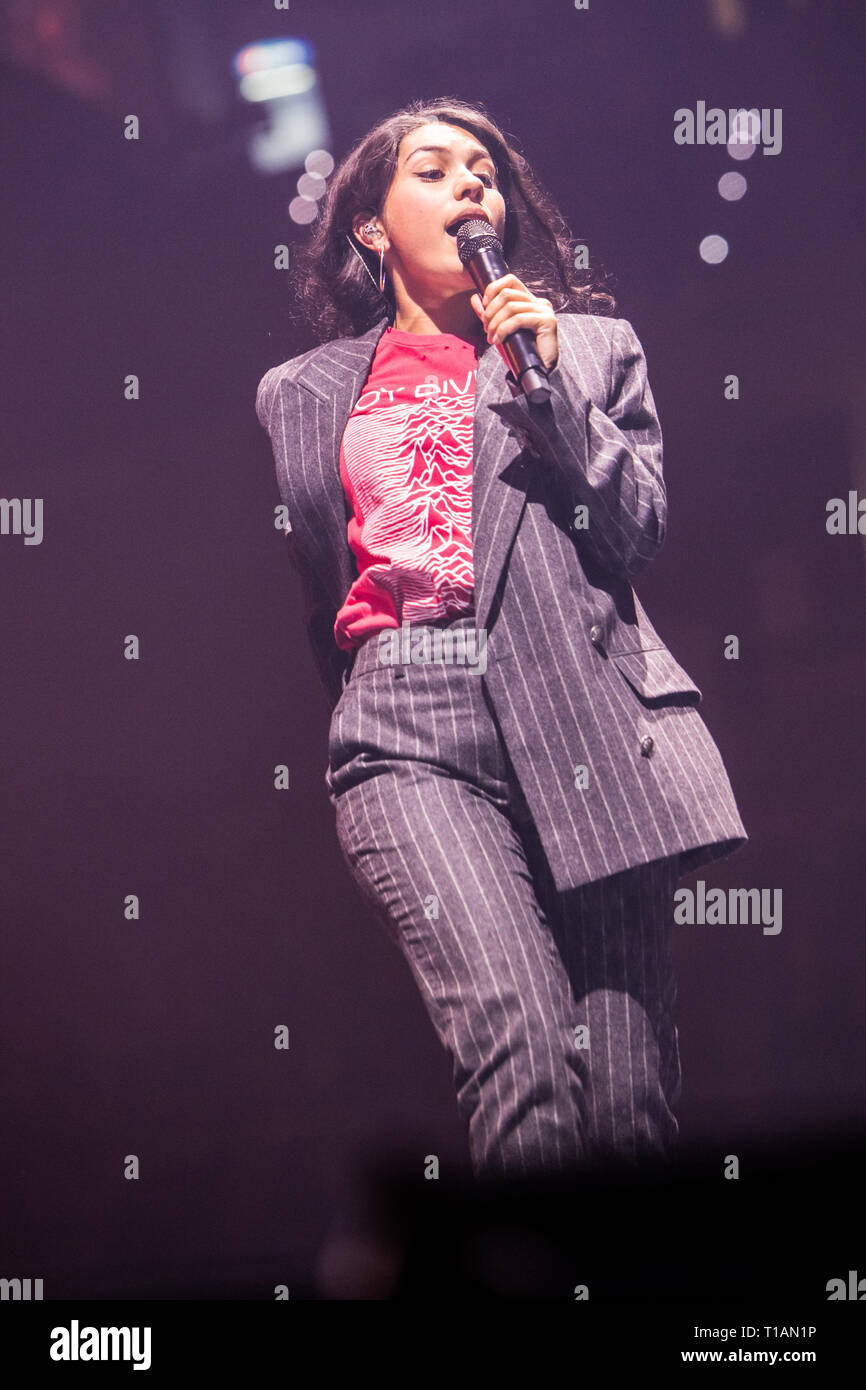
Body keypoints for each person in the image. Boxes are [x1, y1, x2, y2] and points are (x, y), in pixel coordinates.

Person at [255, 97, 748, 1179]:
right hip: (406, 723)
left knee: (622, 1096)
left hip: (587, 709)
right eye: (432, 171)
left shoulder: (590, 349)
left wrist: (547, 381)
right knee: (520, 1046)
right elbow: (320, 576)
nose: (470, 184)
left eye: (482, 170)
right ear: (371, 226)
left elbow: (632, 533)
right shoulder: (301, 393)